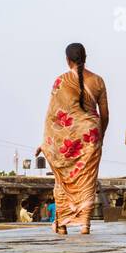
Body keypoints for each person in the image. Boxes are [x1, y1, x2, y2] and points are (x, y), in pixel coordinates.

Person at [39, 42, 109, 235]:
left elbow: (53, 115)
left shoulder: (60, 81)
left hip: (66, 139)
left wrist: (46, 142)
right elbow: (105, 114)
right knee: (87, 180)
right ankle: (85, 224)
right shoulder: (98, 81)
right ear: (85, 57)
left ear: (67, 59)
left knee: (63, 180)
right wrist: (100, 137)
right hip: (90, 135)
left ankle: (61, 223)